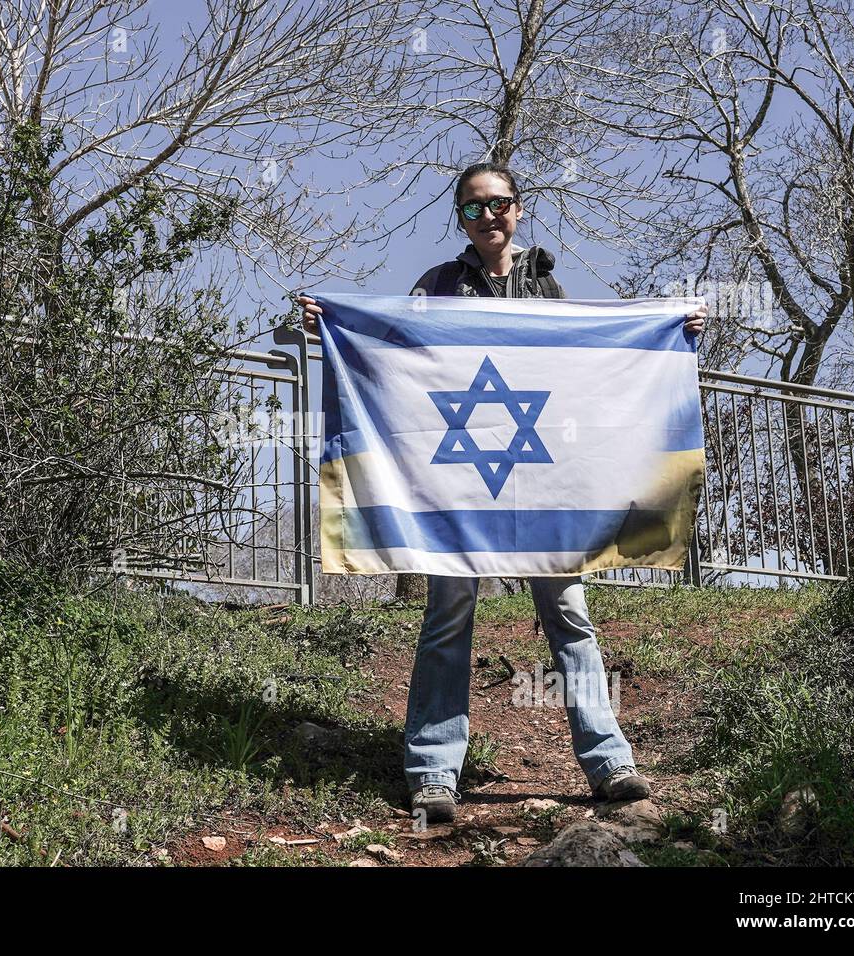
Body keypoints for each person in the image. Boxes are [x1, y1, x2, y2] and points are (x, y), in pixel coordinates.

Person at [297, 161, 708, 823]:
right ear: (459, 216)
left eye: (500, 204)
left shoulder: (548, 287)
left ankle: (609, 763)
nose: (488, 216)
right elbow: (394, 359)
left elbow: (592, 369)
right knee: (447, 618)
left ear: (519, 210)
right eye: (473, 207)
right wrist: (337, 325)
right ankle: (433, 771)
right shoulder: (433, 288)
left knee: (569, 616)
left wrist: (670, 337)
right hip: (456, 493)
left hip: (544, 488)